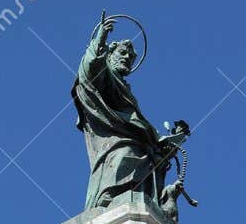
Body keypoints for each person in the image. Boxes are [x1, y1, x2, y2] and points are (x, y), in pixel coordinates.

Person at [72, 14, 188, 211]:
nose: (128, 59)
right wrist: (99, 42)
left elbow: (136, 122)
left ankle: (135, 198)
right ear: (109, 53)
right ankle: (108, 197)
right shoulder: (105, 75)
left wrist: (166, 141)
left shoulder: (126, 89)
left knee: (145, 159)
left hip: (136, 141)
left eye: (131, 57)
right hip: (114, 139)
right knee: (125, 154)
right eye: (123, 53)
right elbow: (89, 73)